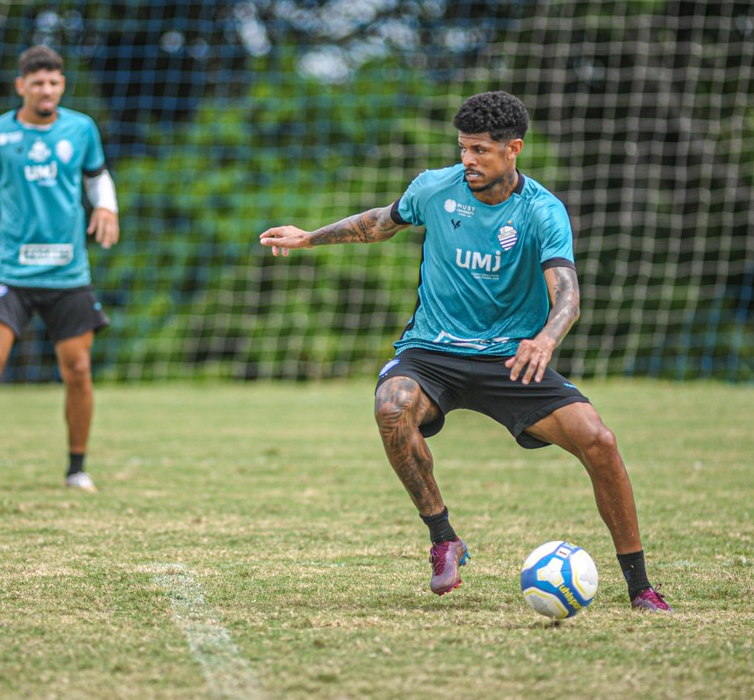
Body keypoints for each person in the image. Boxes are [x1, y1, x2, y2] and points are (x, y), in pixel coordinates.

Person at [259, 91, 670, 612]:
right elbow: (380, 223)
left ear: (513, 149)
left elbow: (567, 295)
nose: (468, 161)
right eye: (463, 149)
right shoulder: (434, 189)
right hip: (432, 352)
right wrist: (309, 238)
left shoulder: (542, 211)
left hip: (510, 359)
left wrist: (545, 339)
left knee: (600, 442)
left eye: (480, 151)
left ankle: (640, 586)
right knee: (392, 407)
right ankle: (443, 538)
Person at [0, 45, 119, 494]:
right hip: (9, 273)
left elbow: (97, 179)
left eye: (54, 82)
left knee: (77, 369)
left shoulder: (81, 129)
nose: (47, 90)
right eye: (38, 82)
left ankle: (77, 469)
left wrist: (107, 208)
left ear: (62, 85)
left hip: (68, 274)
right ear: (22, 86)